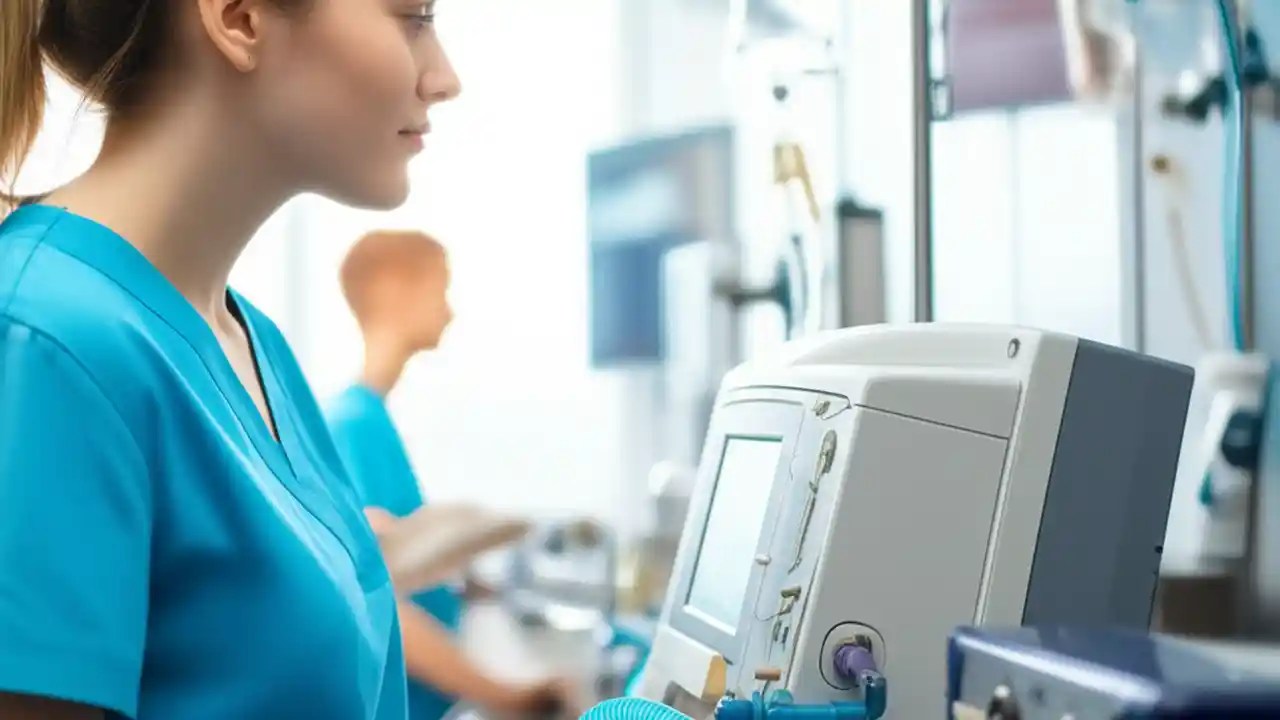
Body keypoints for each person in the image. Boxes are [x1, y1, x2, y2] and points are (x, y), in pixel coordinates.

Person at [0, 1, 464, 718]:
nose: (445, 78)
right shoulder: (44, 345)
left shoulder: (255, 345)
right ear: (240, 18)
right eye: (414, 16)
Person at [326, 229, 572, 720]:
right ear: (395, 288)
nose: (450, 310)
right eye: (441, 287)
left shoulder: (371, 419)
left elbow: (401, 564)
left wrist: (470, 581)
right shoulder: (352, 425)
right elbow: (378, 600)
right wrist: (510, 696)